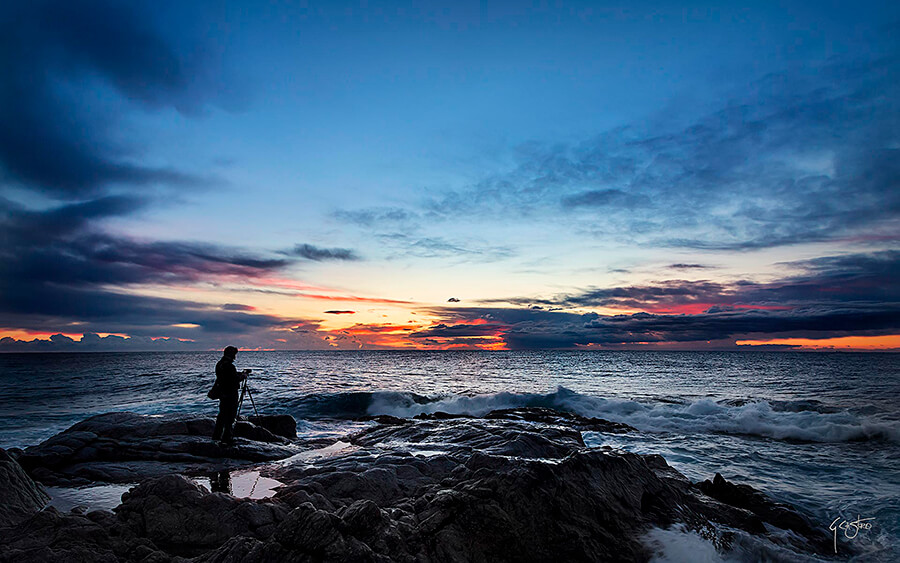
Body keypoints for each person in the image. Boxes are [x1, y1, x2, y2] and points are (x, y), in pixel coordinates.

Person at [212, 346, 248, 445]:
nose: (235, 357)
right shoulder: (229, 366)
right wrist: (243, 376)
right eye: (234, 354)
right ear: (231, 354)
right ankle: (227, 437)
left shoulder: (220, 364)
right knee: (230, 415)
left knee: (222, 414)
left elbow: (226, 377)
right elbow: (233, 379)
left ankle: (216, 436)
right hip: (230, 393)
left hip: (223, 393)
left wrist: (238, 374)